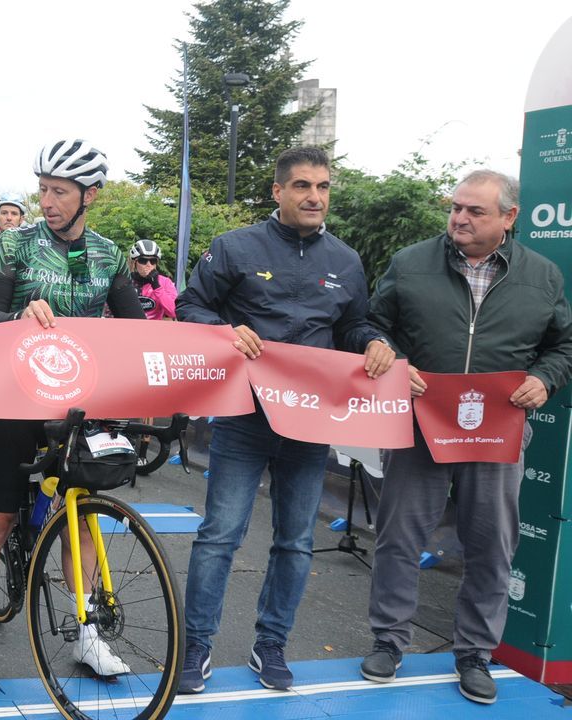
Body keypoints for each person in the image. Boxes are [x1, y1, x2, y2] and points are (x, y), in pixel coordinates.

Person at [174, 146, 394, 694]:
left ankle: (270, 646)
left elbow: (354, 327)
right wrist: (223, 332)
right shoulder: (234, 246)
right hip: (245, 416)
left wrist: (375, 344)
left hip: (311, 423)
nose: (313, 196)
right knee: (219, 536)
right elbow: (190, 305)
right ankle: (195, 647)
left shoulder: (345, 260)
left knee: (295, 542)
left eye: (322, 187)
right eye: (301, 186)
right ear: (278, 192)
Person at [360, 170, 572, 704]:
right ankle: (388, 642)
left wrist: (543, 379)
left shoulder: (543, 276)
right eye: (456, 208)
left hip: (497, 432)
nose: (460, 218)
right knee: (399, 539)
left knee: (492, 546)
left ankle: (475, 652)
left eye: (476, 211)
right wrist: (383, 352)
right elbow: (367, 325)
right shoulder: (411, 263)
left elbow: (563, 347)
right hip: (419, 423)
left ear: (508, 218)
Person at [0, 139, 147, 685]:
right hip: (15, 396)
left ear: (89, 196)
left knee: (80, 519)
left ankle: (88, 635)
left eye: (59, 191)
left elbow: (137, 330)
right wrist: (17, 314)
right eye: (43, 189)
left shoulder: (110, 254)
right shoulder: (14, 245)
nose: (47, 200)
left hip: (75, 405)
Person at [129, 239, 177, 320]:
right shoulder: (126, 281)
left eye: (152, 261)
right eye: (143, 260)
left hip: (154, 329)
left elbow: (174, 312)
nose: (148, 265)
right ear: (135, 263)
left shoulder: (165, 282)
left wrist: (156, 287)